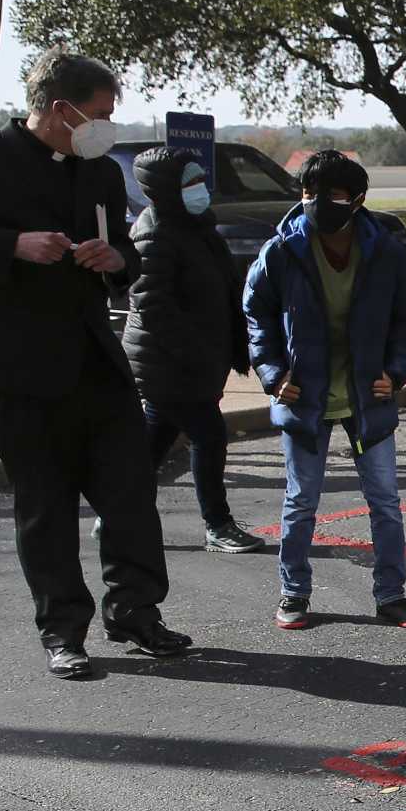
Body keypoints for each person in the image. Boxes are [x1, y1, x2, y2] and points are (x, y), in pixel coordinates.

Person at [0, 50, 191, 679]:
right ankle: (63, 631)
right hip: (19, 372)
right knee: (46, 506)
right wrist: (11, 245)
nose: (107, 126)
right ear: (61, 109)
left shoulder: (100, 173)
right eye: (101, 113)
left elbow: (126, 261)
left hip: (96, 365)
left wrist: (117, 264)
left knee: (130, 496)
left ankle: (136, 612)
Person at [245, 150, 406, 631]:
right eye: (307, 193)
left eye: (332, 195)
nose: (318, 203)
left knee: (384, 500)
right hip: (303, 395)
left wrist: (396, 370)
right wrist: (272, 373)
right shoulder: (282, 250)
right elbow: (256, 313)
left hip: (369, 396)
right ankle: (294, 594)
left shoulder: (385, 251)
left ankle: (392, 594)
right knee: (301, 501)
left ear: (359, 200)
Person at [122, 146, 262, 555]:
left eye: (201, 179)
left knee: (155, 440)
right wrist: (198, 354)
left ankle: (117, 513)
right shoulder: (154, 234)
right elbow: (154, 307)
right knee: (208, 435)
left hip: (194, 359)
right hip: (171, 362)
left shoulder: (196, 225)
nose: (200, 189)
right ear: (164, 189)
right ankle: (217, 524)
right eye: (189, 182)